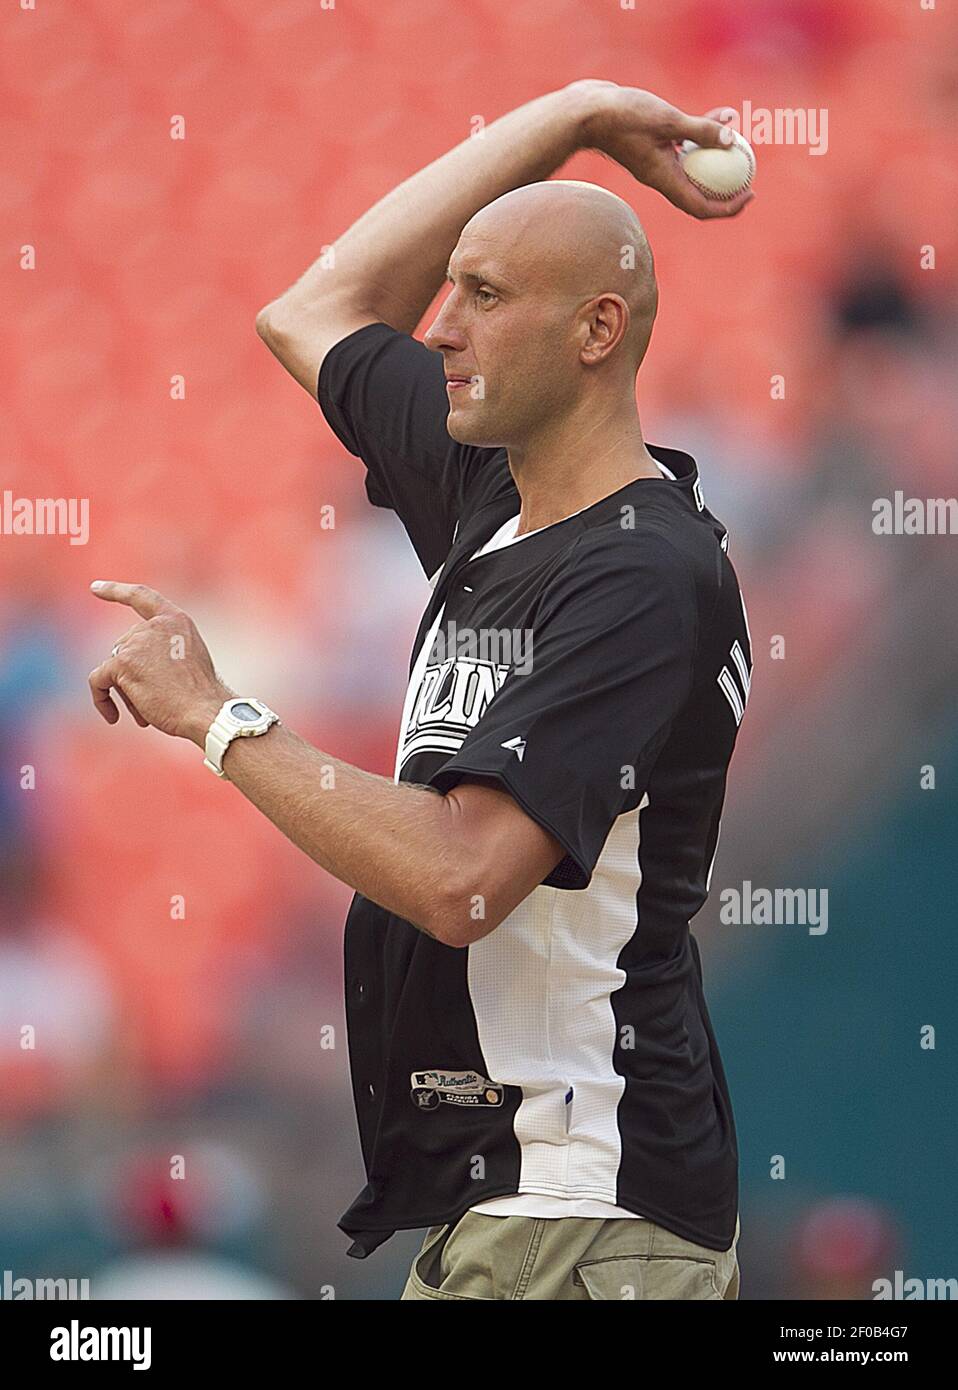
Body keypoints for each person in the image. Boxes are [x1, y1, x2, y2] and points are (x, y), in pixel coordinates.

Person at [87, 80, 754, 1300]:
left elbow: (463, 880)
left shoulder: (647, 573)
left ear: (597, 331)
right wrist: (573, 117)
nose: (440, 329)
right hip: (521, 1205)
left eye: (486, 298)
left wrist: (220, 721)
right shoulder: (493, 500)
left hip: (591, 1207)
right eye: (451, 292)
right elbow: (315, 310)